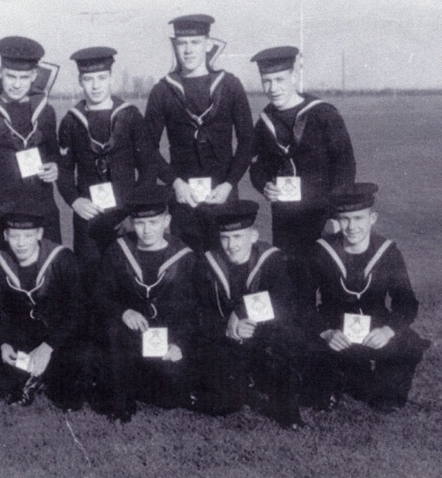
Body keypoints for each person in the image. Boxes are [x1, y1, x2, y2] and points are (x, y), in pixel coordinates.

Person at [302, 183, 429, 413]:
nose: (352, 227)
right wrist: (325, 331)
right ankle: (332, 383)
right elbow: (303, 304)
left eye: (359, 218)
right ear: (336, 221)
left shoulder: (388, 252)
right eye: (345, 219)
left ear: (372, 218)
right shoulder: (321, 252)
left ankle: (385, 391)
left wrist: (387, 331)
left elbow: (406, 302)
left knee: (408, 343)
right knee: (309, 364)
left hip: (375, 326)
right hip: (335, 325)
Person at [249, 46, 356, 288]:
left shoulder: (323, 114)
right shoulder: (265, 121)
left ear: (294, 76)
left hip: (322, 216)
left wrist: (338, 214)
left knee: (333, 285)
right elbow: (257, 165)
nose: (273, 88)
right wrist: (264, 185)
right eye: (266, 81)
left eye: (279, 79)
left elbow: (345, 165)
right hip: (286, 220)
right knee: (293, 286)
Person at [144, 14, 253, 252]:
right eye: (182, 43)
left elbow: (247, 142)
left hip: (222, 195)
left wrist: (228, 184)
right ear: (175, 46)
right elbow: (146, 147)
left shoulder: (230, 85)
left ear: (208, 44)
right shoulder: (162, 90)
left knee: (225, 265)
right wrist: (175, 183)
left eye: (195, 42)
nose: (188, 50)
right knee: (186, 270)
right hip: (183, 199)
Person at [193, 200, 304, 429]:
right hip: (225, 341)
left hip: (264, 338)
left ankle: (286, 408)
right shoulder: (207, 264)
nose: (231, 245)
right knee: (222, 405)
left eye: (238, 237)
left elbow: (285, 302)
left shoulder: (272, 260)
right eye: (225, 237)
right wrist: (227, 327)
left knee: (285, 341)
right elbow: (199, 312)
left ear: (253, 236)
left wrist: (242, 311)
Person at [93, 186, 198, 423]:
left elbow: (192, 310)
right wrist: (123, 311)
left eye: (153, 222)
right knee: (114, 331)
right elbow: (100, 293)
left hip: (167, 337)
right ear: (131, 222)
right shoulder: (118, 251)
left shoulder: (185, 257)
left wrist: (179, 344)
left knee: (170, 395)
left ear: (166, 221)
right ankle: (122, 403)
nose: (147, 230)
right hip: (130, 335)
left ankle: (142, 379)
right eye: (140, 223)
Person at [58, 46, 158, 282]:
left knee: (129, 276)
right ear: (80, 81)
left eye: (101, 78)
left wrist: (136, 213)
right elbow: (63, 171)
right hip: (89, 216)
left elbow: (148, 169)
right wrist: (74, 200)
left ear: (111, 78)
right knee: (90, 277)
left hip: (125, 214)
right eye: (88, 79)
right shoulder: (71, 121)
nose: (95, 85)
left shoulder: (130, 116)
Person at [0, 210, 92, 410]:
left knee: (69, 395)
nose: (21, 243)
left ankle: (48, 376)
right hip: (23, 333)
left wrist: (48, 346)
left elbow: (77, 310)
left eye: (28, 236)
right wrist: (3, 343)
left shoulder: (61, 258)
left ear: (39, 234)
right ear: (5, 236)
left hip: (59, 332)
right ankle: (30, 378)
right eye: (14, 236)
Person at [0, 36, 61, 256]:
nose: (17, 84)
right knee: (3, 281)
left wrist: (54, 166)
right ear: (0, 72)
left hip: (42, 211)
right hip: (1, 214)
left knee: (49, 280)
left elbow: (54, 155)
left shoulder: (46, 111)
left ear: (34, 76)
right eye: (11, 76)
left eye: (24, 77)